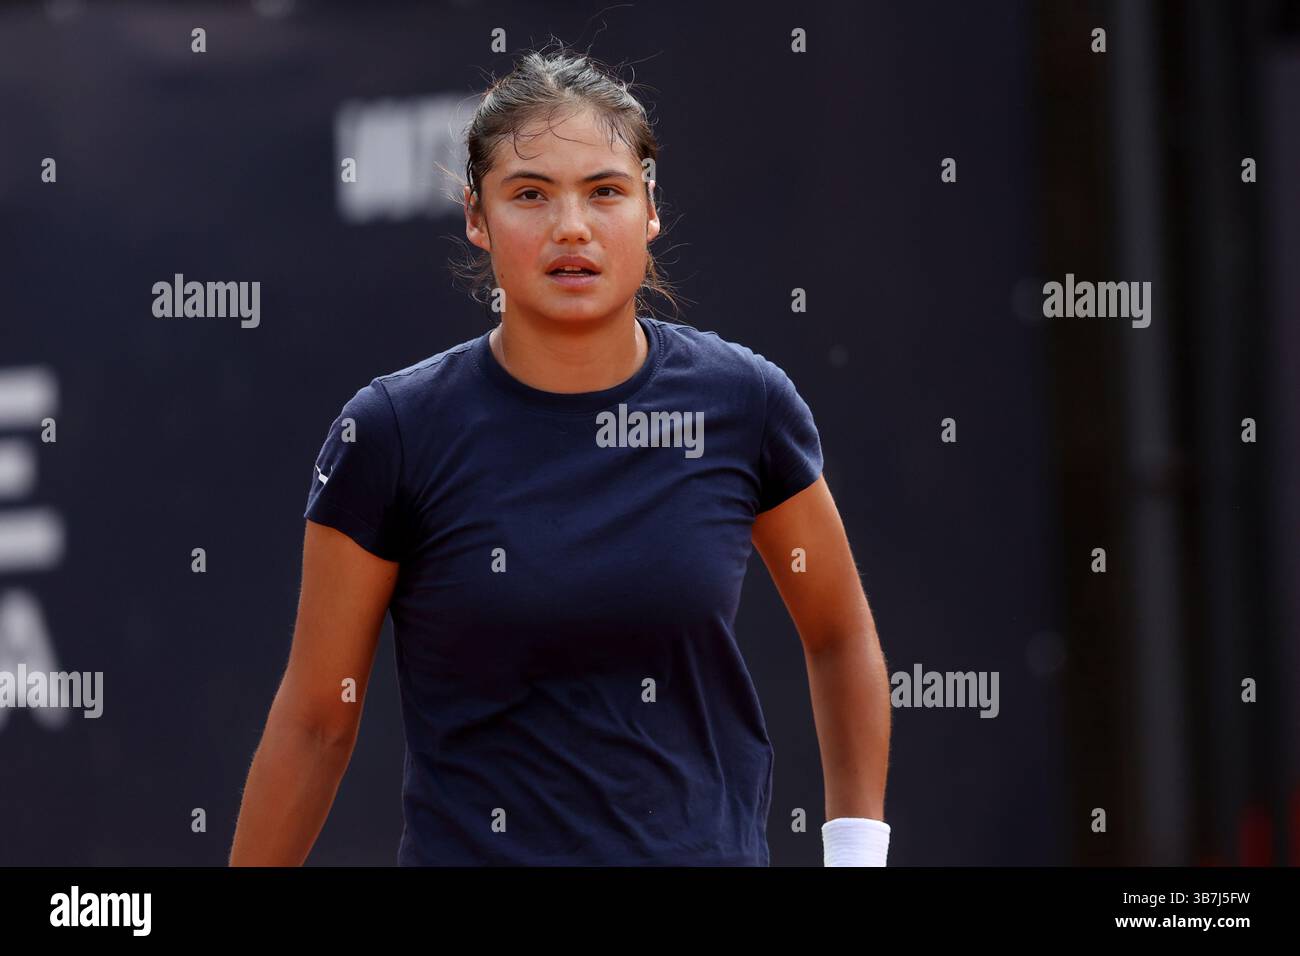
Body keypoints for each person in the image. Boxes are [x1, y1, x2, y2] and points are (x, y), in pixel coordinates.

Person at [230, 46, 892, 867]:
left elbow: (839, 634)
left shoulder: (744, 404)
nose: (570, 226)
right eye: (530, 194)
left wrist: (858, 856)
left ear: (650, 209)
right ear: (477, 218)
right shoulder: (392, 432)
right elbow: (316, 721)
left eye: (605, 191)